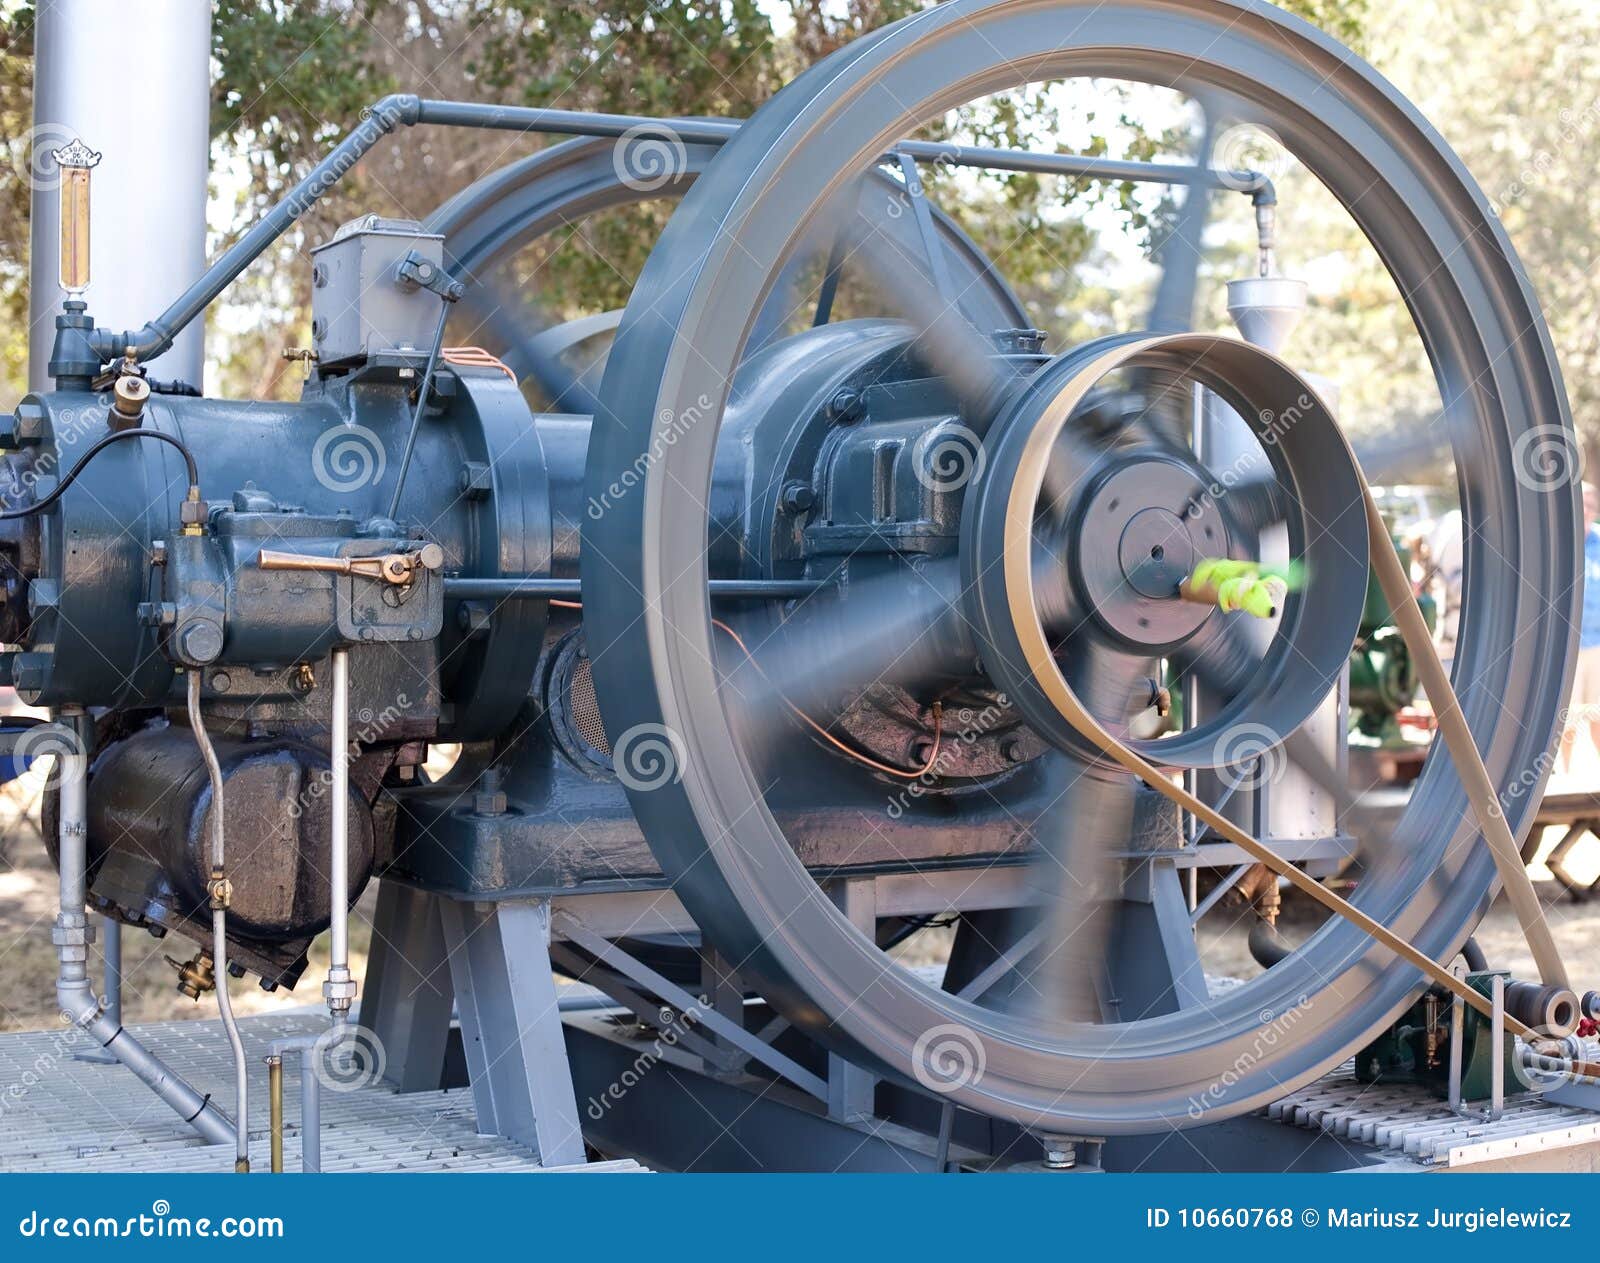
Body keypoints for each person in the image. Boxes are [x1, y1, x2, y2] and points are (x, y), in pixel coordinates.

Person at [1559, 482, 1600, 776]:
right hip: (1568, 648)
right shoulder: (1561, 543)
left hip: (1597, 645)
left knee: (1598, 712)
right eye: (1581, 505)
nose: (1586, 511)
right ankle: (1567, 772)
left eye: (1590, 505)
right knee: (1567, 715)